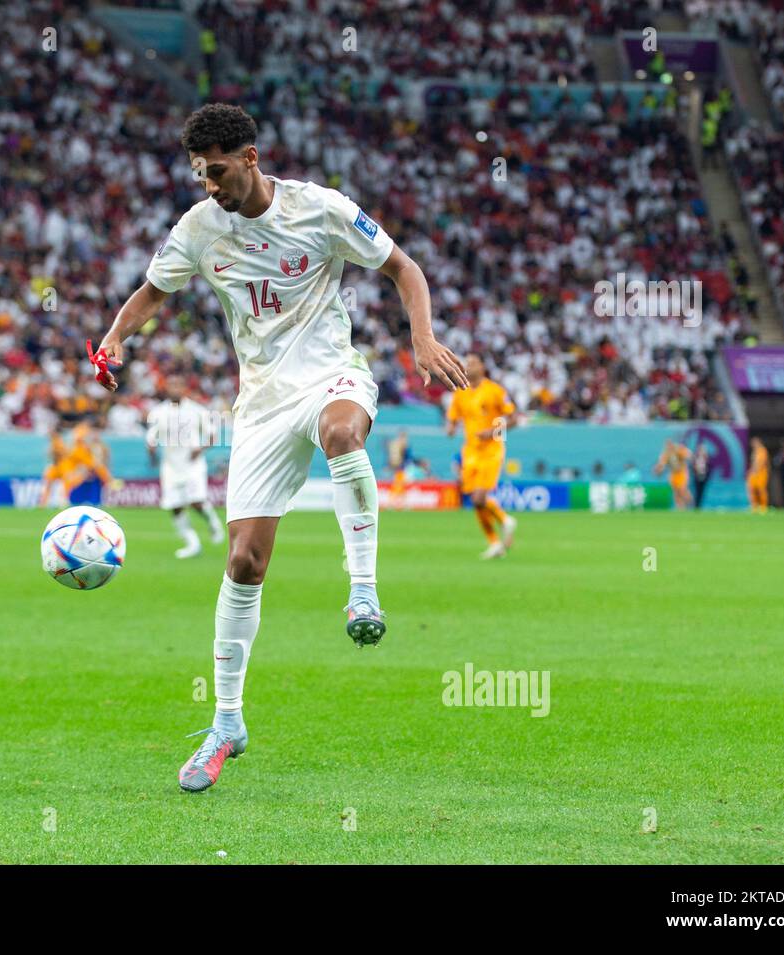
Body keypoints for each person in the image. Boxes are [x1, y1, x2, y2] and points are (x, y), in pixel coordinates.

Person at [91, 103, 467, 792]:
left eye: (218, 172)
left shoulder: (320, 209)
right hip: (261, 402)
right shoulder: (199, 228)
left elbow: (404, 267)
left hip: (331, 374)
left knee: (343, 432)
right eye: (201, 175)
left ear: (251, 159)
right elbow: (151, 292)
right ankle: (226, 722)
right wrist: (116, 338)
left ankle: (362, 592)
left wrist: (420, 337)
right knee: (242, 559)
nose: (211, 186)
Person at [446, 353, 519, 559]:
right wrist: (450, 427)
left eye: (473, 362)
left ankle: (505, 520)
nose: (468, 366)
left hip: (492, 450)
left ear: (483, 366)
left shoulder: (495, 391)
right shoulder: (460, 392)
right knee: (476, 501)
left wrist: (493, 432)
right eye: (466, 363)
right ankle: (495, 542)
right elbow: (453, 417)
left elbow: (513, 419)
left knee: (479, 496)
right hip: (470, 451)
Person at [146, 375, 224, 558]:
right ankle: (192, 544)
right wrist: (151, 450)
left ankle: (213, 522)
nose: (175, 389)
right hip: (171, 466)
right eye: (171, 385)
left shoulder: (197, 411)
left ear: (184, 389)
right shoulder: (158, 412)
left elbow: (213, 436)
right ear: (166, 389)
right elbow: (151, 438)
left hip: (192, 465)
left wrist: (200, 449)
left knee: (196, 501)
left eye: (178, 385)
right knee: (175, 505)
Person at [653, 439, 692, 510]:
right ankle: (680, 508)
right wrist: (658, 469)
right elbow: (661, 464)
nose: (669, 446)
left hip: (682, 472)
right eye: (667, 445)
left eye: (670, 444)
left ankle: (691, 503)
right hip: (673, 473)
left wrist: (685, 455)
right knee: (676, 492)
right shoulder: (665, 454)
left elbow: (688, 454)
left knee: (682, 489)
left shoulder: (678, 449)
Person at [746, 437, 770, 513]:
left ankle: (763, 507)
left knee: (761, 489)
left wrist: (755, 470)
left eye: (754, 442)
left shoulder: (762, 450)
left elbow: (761, 463)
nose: (753, 444)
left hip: (760, 473)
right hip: (754, 473)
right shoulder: (755, 451)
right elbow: (753, 463)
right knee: (752, 489)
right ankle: (754, 506)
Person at [691, 445, 713, 509]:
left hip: (704, 477)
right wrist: (695, 472)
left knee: (702, 492)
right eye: (701, 450)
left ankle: (699, 506)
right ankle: (695, 506)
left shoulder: (707, 459)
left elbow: (709, 468)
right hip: (697, 477)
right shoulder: (695, 458)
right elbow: (692, 467)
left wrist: (706, 475)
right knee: (696, 492)